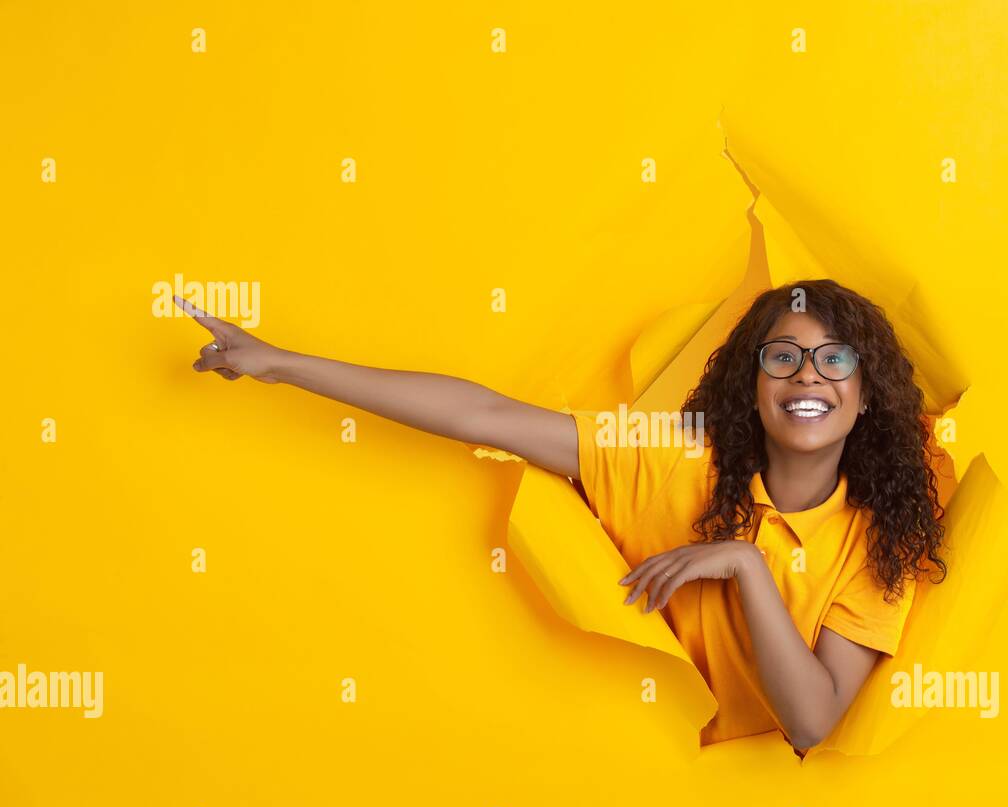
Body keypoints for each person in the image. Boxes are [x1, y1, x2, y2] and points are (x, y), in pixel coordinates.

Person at [182, 279, 948, 753]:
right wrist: (281, 363)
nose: (807, 376)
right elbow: (483, 414)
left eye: (835, 360)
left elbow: (812, 722)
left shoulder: (882, 541)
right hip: (630, 776)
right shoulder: (665, 460)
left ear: (867, 391)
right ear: (752, 387)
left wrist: (744, 565)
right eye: (782, 358)